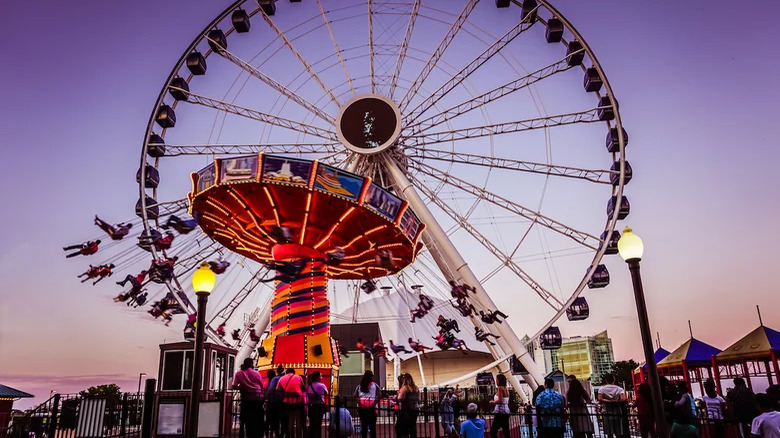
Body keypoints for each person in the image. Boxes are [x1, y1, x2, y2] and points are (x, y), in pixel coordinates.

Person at [232, 358, 265, 438]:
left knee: (246, 418)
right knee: (257, 418)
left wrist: (242, 388)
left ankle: (245, 434)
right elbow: (261, 385)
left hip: (246, 398)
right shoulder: (256, 373)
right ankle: (257, 434)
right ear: (251, 364)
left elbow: (234, 385)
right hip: (257, 397)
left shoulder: (239, 373)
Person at [276, 369, 305, 438]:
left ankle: (291, 436)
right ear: (294, 372)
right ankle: (299, 436)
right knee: (298, 420)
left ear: (286, 372)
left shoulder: (282, 378)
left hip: (288, 401)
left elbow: (277, 389)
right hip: (298, 401)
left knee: (290, 420)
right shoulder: (298, 377)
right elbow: (303, 388)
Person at [598, 373, 627, 438]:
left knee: (609, 433)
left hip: (606, 411)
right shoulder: (619, 389)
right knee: (619, 432)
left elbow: (600, 398)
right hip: (617, 411)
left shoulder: (602, 389)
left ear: (606, 380)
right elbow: (623, 399)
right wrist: (616, 401)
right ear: (614, 380)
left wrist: (608, 401)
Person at [354, 370, 379, 438]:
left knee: (364, 427)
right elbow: (379, 395)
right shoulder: (375, 385)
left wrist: (360, 404)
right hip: (372, 409)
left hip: (362, 409)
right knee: (372, 427)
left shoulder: (360, 386)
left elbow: (355, 396)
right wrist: (373, 404)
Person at [489, 374, 513, 438]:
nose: (496, 381)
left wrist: (493, 402)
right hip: (505, 412)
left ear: (499, 380)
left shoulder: (500, 388)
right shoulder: (506, 389)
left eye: (496, 379)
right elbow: (505, 401)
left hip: (500, 412)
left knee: (493, 431)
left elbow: (500, 401)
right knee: (505, 431)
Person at [397, 373, 420, 438]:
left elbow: (399, 398)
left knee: (403, 428)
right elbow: (419, 398)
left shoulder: (405, 388)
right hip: (415, 410)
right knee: (412, 427)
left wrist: (398, 394)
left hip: (406, 410)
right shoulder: (416, 388)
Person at [306, 371, 328, 438]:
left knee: (312, 423)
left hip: (311, 407)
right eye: (321, 376)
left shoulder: (309, 386)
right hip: (319, 406)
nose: (321, 377)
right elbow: (326, 393)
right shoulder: (322, 385)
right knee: (318, 424)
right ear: (318, 377)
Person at [267, 365, 286, 438]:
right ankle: (283, 433)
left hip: (275, 401)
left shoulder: (275, 379)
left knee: (275, 419)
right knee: (283, 418)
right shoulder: (285, 378)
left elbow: (271, 389)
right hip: (284, 400)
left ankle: (277, 433)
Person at [264, 369, 279, 438]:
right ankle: (275, 433)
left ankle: (267, 434)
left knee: (268, 419)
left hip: (270, 402)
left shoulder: (269, 382)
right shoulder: (277, 380)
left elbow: (268, 391)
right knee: (275, 420)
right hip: (276, 402)